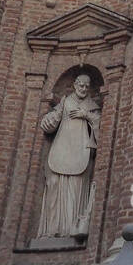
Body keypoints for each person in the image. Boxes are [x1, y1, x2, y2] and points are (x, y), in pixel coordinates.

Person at [37, 73, 101, 238]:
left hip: (81, 153)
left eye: (87, 86)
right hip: (61, 149)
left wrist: (86, 115)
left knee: (75, 189)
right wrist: (52, 118)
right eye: (81, 85)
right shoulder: (65, 101)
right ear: (74, 84)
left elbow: (101, 131)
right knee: (54, 185)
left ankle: (71, 228)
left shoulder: (92, 106)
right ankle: (52, 230)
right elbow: (49, 123)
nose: (83, 89)